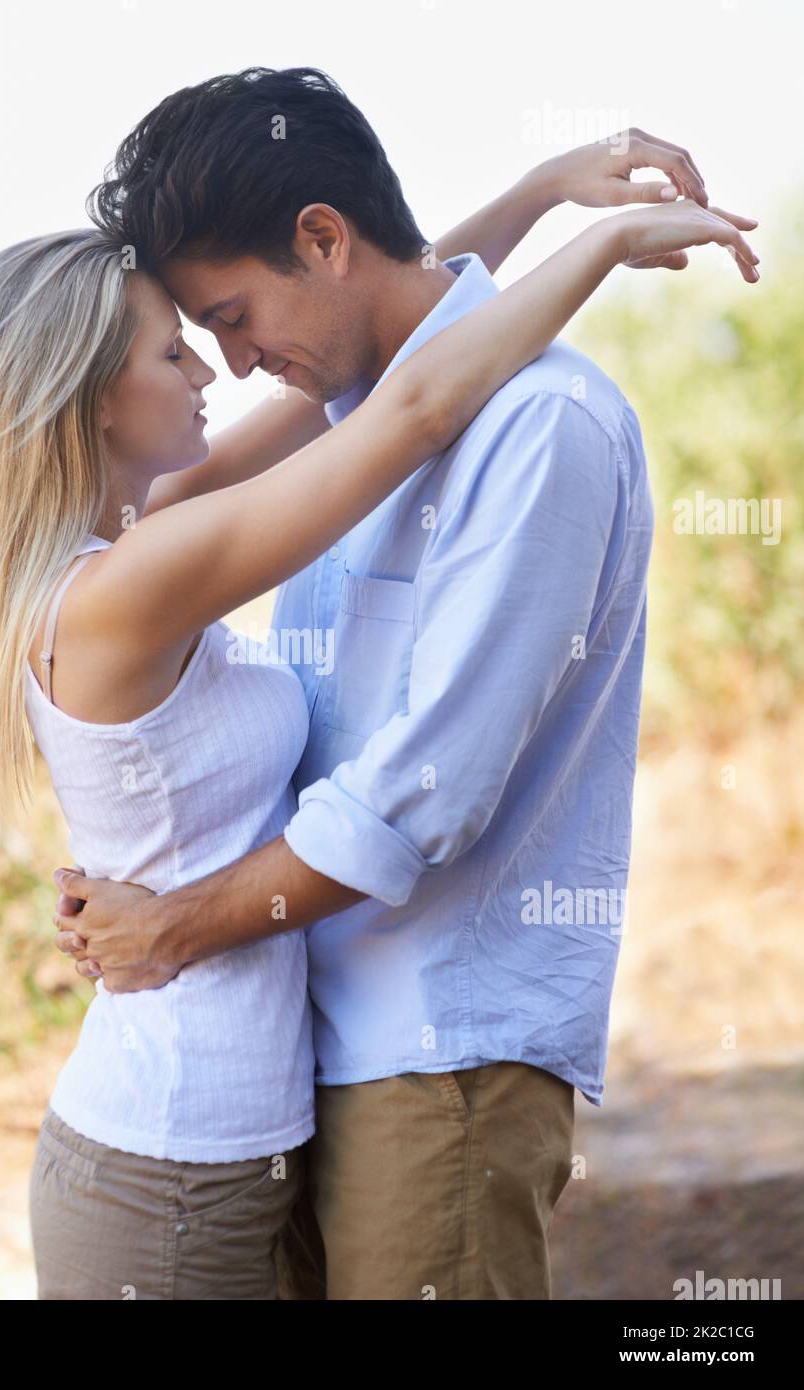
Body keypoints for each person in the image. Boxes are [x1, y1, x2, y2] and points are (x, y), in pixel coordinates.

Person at [46, 68, 759, 1299]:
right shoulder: (347, 416)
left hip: (441, 1057)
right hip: (315, 1040)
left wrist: (173, 925)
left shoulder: (539, 428)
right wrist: (538, 193)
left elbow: (420, 795)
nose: (230, 363)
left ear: (320, 236)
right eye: (192, 339)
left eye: (227, 315)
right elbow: (417, 360)